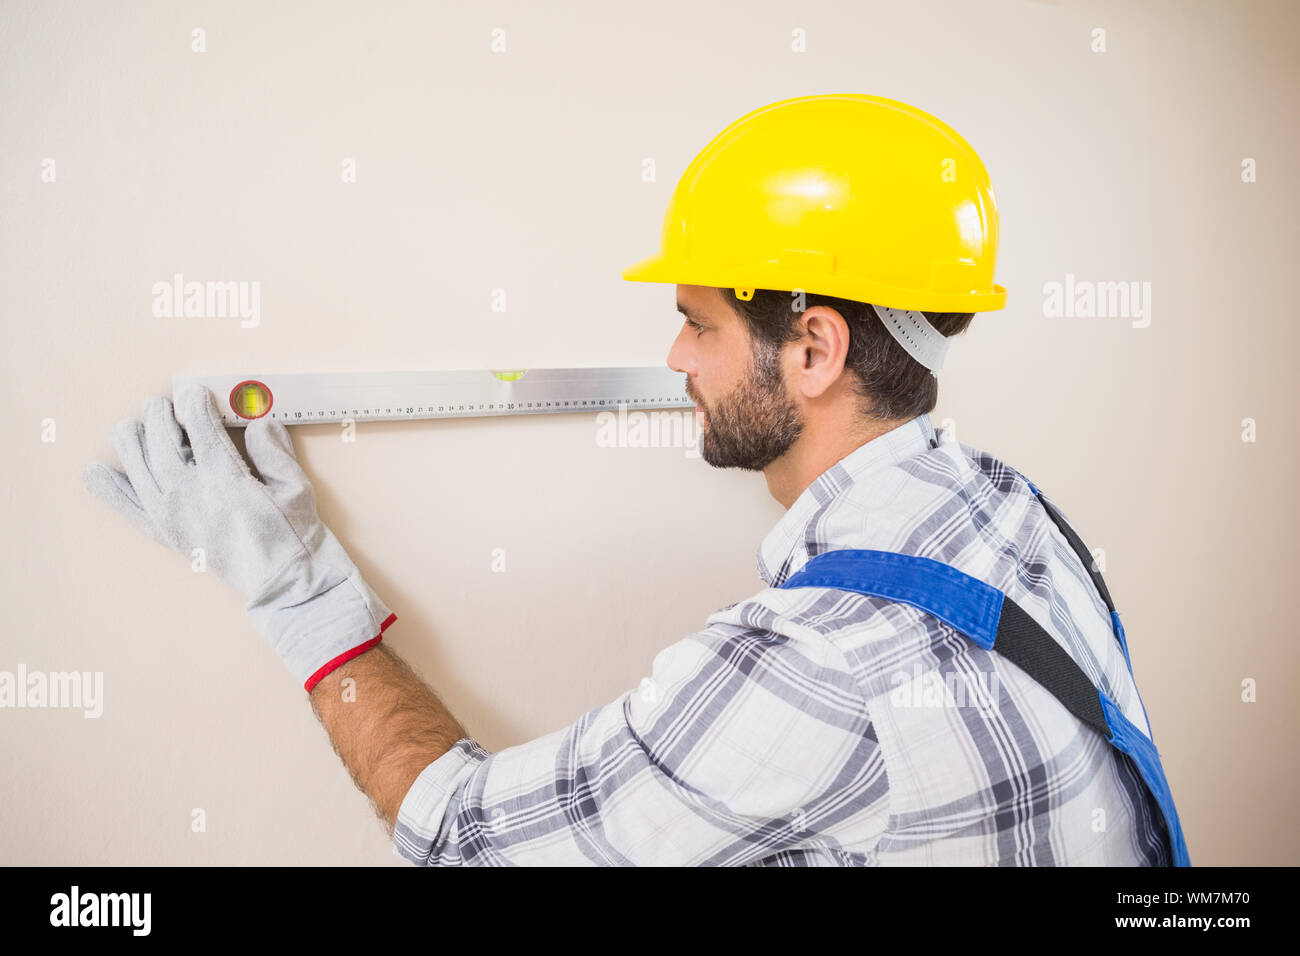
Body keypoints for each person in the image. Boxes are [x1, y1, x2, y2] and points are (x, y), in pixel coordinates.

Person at [83, 94, 1187, 866]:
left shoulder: (815, 660)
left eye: (695, 325)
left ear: (813, 348)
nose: (675, 362)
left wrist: (299, 598)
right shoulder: (1011, 512)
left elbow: (467, 839)